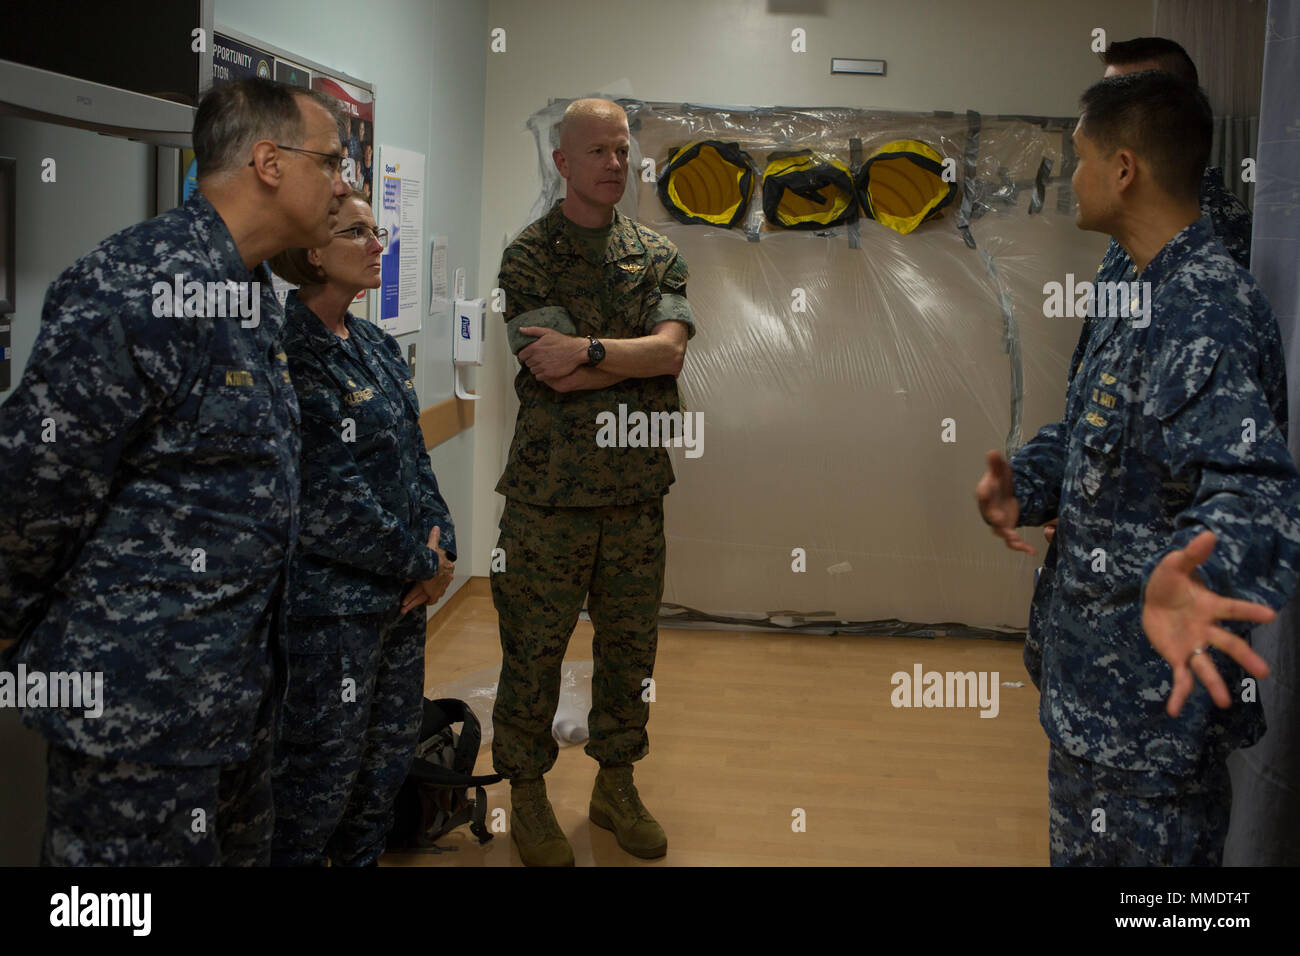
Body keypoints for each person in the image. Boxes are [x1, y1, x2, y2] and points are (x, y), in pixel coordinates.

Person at [0, 77, 349, 865]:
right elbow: (35, 479)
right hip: (138, 711)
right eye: (331, 162)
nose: (342, 183)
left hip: (233, 699)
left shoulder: (250, 290)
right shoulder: (142, 282)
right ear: (269, 162)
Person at [975, 72, 1300, 865]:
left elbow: (1257, 489)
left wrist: (1200, 578)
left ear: (1124, 169)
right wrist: (1027, 483)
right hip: (1091, 701)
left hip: (1154, 725)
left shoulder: (1204, 308)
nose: (1072, 176)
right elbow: (1094, 426)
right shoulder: (1132, 283)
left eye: (1080, 157)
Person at [491, 98, 695, 866]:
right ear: (563, 163)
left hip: (635, 492)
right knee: (534, 650)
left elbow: (671, 353)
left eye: (622, 149)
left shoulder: (657, 253)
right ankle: (528, 792)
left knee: (631, 653)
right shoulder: (529, 256)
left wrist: (590, 349)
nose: (615, 163)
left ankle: (616, 783)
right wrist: (629, 358)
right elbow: (553, 372)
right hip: (549, 497)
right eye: (598, 151)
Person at [265, 189, 456, 867]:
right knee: (320, 783)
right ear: (313, 252)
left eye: (378, 231)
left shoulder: (373, 343)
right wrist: (424, 564)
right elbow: (329, 499)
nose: (379, 246)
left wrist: (442, 544)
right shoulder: (290, 352)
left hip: (401, 600)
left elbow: (413, 456)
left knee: (383, 770)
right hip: (334, 613)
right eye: (357, 233)